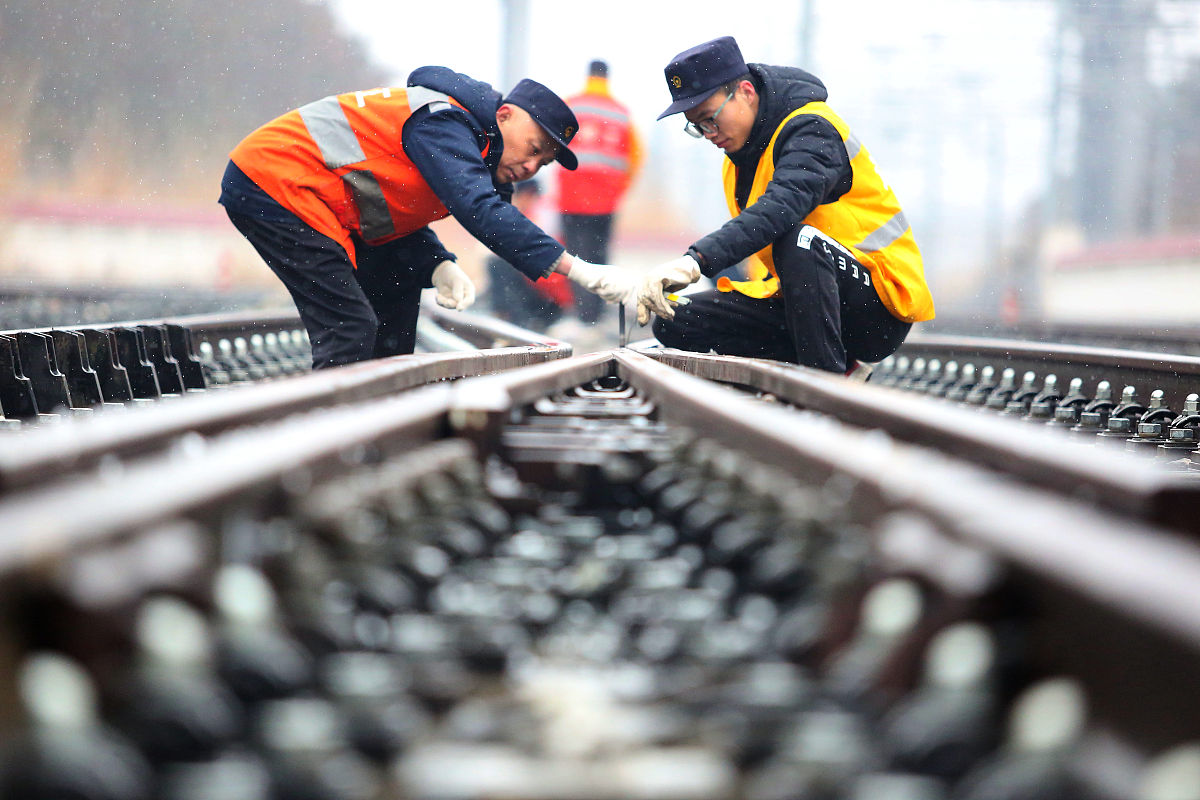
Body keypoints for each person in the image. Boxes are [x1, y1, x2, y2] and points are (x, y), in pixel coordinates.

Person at [219, 67, 639, 369]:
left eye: (543, 162)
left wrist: (436, 262)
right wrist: (577, 268)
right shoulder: (444, 121)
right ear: (505, 115)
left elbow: (384, 205)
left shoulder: (466, 137)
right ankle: (329, 438)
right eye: (533, 148)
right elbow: (479, 209)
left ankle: (377, 423)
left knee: (396, 306)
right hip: (274, 183)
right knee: (349, 328)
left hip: (322, 200)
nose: (532, 167)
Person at [638, 37, 935, 376]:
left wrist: (697, 260)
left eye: (710, 118)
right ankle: (820, 372)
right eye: (697, 126)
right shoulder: (736, 163)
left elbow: (780, 209)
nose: (708, 133)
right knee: (675, 320)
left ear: (746, 92)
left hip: (876, 304)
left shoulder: (813, 129)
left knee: (799, 242)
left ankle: (824, 390)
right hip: (806, 302)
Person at [557, 59, 643, 326]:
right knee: (599, 255)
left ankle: (581, 316)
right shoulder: (621, 113)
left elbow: (552, 143)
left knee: (574, 257)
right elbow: (636, 156)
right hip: (606, 201)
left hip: (571, 198)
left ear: (589, 75)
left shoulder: (571, 105)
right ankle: (595, 316)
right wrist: (618, 189)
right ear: (607, 77)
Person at [487, 179, 573, 330]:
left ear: (526, 195)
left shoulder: (538, 213)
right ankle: (513, 319)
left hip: (551, 294)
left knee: (497, 263)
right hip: (552, 292)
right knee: (500, 263)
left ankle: (516, 321)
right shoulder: (547, 210)